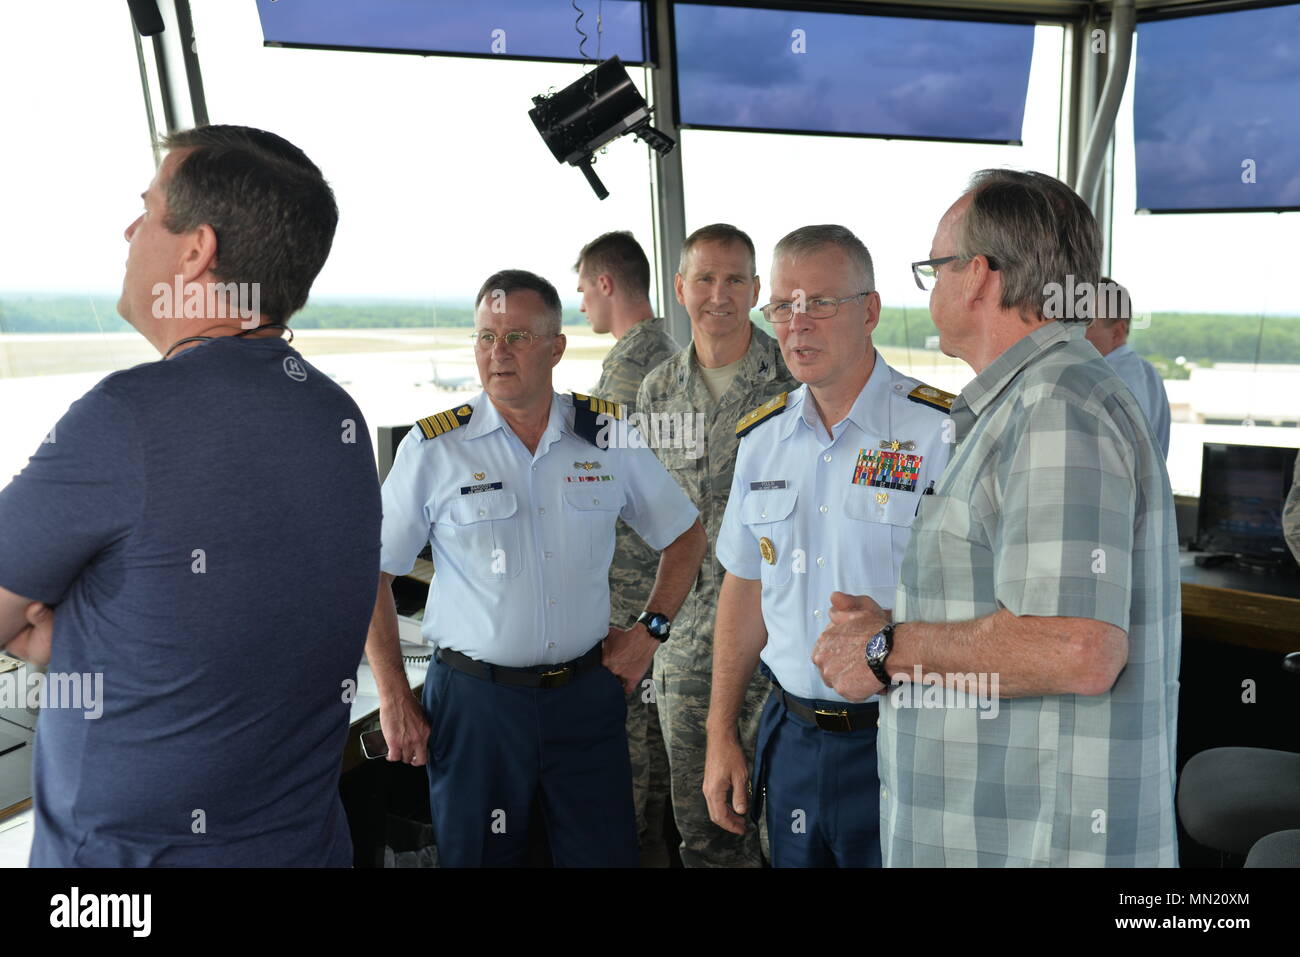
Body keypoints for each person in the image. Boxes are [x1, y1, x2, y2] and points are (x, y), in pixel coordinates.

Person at [0, 125, 380, 866]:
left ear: (196, 250)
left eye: (147, 209)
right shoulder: (336, 416)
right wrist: (87, 641)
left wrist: (67, 627)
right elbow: (225, 628)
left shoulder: (127, 417)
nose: (130, 228)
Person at [813, 169, 1181, 867]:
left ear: (978, 276)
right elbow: (1023, 610)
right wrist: (903, 620)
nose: (933, 289)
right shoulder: (1031, 403)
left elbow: (1077, 647)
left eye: (936, 269)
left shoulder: (1056, 409)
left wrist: (886, 648)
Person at [368, 269, 706, 867]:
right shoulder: (434, 448)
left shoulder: (605, 436)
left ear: (556, 348)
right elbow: (371, 575)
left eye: (518, 337)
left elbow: (684, 535)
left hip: (584, 700)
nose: (498, 352)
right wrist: (394, 694)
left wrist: (648, 635)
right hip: (477, 709)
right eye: (485, 336)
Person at [707, 225, 951, 867]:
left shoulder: (941, 435)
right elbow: (744, 586)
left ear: (869, 311)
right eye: (784, 305)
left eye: (821, 302)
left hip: (904, 739)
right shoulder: (761, 440)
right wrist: (719, 731)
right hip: (789, 738)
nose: (798, 323)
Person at [635, 223, 798, 867]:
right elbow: (646, 525)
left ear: (757, 290)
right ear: (680, 288)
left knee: (783, 833)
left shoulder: (794, 381)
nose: (719, 294)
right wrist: (639, 629)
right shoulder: (656, 391)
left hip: (778, 646)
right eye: (704, 278)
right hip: (685, 653)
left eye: (735, 279)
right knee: (703, 836)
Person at [576, 230, 679, 865]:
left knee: (629, 755)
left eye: (584, 289)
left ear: (607, 284)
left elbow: (585, 476)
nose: (582, 302)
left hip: (630, 592)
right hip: (662, 588)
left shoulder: (628, 368)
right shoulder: (666, 354)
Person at [1084, 277, 1171, 456]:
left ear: (1117, 332)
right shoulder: (1149, 373)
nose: (1071, 332)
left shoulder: (1102, 381)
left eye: (1086, 324)